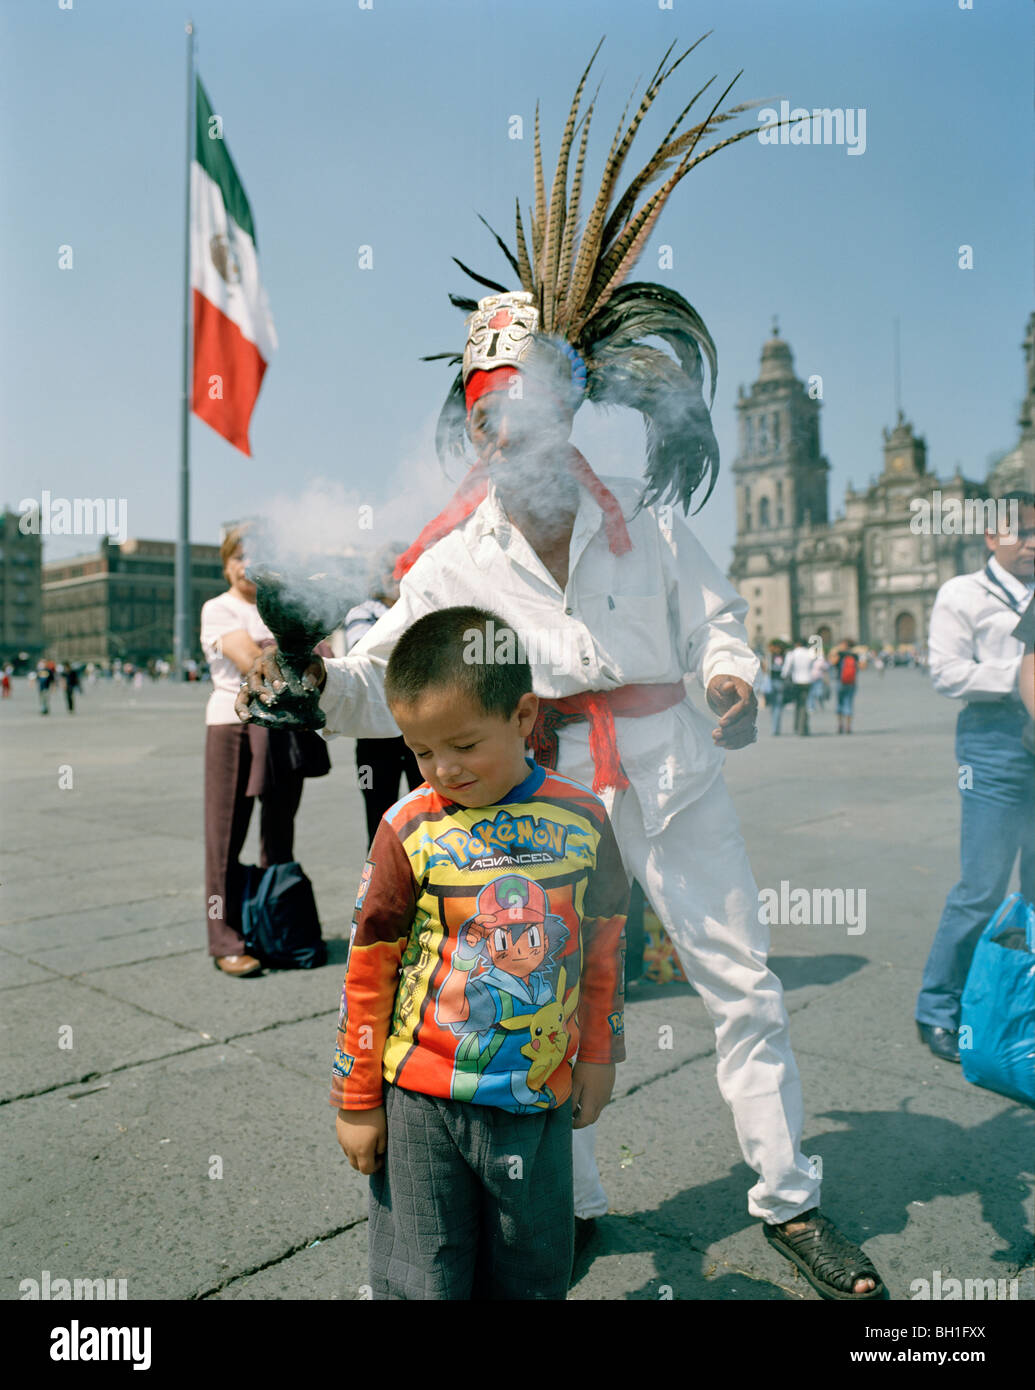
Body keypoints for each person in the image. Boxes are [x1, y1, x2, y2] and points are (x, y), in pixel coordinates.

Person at [241, 45, 884, 1299]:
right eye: (491, 417)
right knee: (546, 1000)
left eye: (532, 406)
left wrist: (733, 672)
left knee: (741, 978)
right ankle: (573, 1202)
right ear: (474, 427)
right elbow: (382, 673)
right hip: (540, 808)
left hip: (673, 778)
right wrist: (312, 676)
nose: (512, 432)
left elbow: (717, 616)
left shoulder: (642, 513)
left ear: (569, 405)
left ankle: (789, 1197)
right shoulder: (453, 556)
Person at [332, 607, 627, 1299]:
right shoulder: (406, 828)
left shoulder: (584, 819)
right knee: (424, 1273)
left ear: (524, 715)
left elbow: (605, 949)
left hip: (537, 1099)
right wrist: (356, 1097)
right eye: (421, 750)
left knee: (532, 1269)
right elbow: (367, 968)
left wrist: (599, 1053)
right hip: (419, 1103)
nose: (442, 769)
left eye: (463, 744)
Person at [916, 492, 1035, 1061]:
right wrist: (1025, 673)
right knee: (982, 883)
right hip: (992, 740)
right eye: (1023, 532)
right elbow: (947, 673)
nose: (1034, 543)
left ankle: (1018, 1001)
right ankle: (938, 1006)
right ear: (992, 536)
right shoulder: (961, 593)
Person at [200, 524, 330, 978]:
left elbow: (323, 650)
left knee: (279, 835)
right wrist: (279, 651)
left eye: (254, 555)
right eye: (237, 556)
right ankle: (225, 938)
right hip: (231, 726)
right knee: (224, 838)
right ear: (226, 562)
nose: (245, 565)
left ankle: (277, 929)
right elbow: (240, 650)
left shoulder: (286, 604)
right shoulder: (218, 608)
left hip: (283, 732)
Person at [344, 547, 422, 848]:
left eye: (405, 564)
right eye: (390, 567)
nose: (398, 573)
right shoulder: (362, 611)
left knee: (429, 813)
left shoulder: (422, 605)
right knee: (380, 817)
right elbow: (367, 655)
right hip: (376, 730)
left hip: (420, 729)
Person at [781, 638, 814, 736]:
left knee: (799, 704)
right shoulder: (810, 653)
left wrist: (784, 678)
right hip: (807, 681)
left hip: (796, 681)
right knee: (804, 704)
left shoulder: (792, 654)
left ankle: (799, 727)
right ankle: (803, 726)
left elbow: (786, 670)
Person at [829, 639, 860, 734]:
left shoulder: (839, 654)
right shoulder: (854, 655)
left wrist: (833, 652)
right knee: (849, 704)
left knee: (839, 704)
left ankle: (840, 725)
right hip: (851, 683)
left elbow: (832, 663)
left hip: (840, 682)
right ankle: (848, 727)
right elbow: (862, 666)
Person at [765, 641, 788, 735]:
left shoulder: (774, 656)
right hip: (778, 682)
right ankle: (775, 728)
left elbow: (770, 669)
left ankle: (775, 728)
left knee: (775, 706)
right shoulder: (783, 656)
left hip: (774, 682)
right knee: (777, 706)